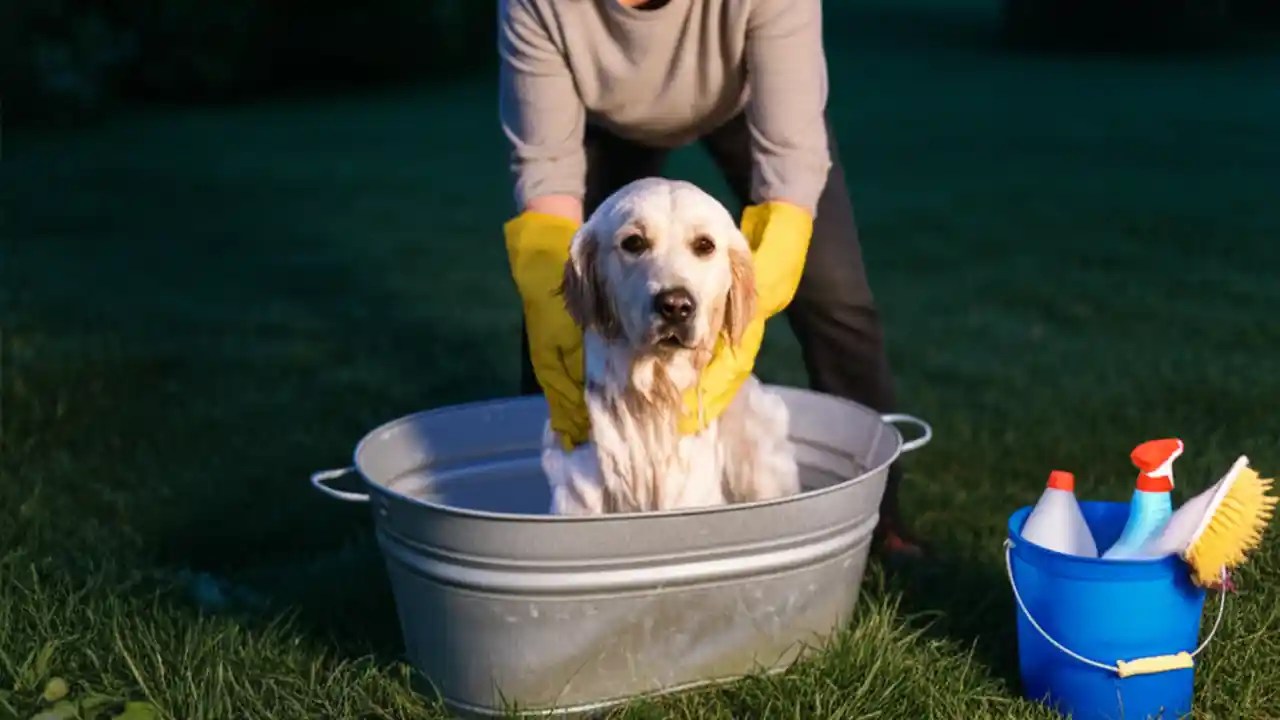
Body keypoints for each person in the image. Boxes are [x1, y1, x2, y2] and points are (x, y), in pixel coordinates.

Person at [498, 0, 924, 558]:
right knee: (554, 313)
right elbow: (548, 178)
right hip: (600, 119)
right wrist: (559, 313)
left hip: (746, 105)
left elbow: (791, 172)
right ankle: (545, 519)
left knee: (836, 298)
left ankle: (878, 519)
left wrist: (743, 314)